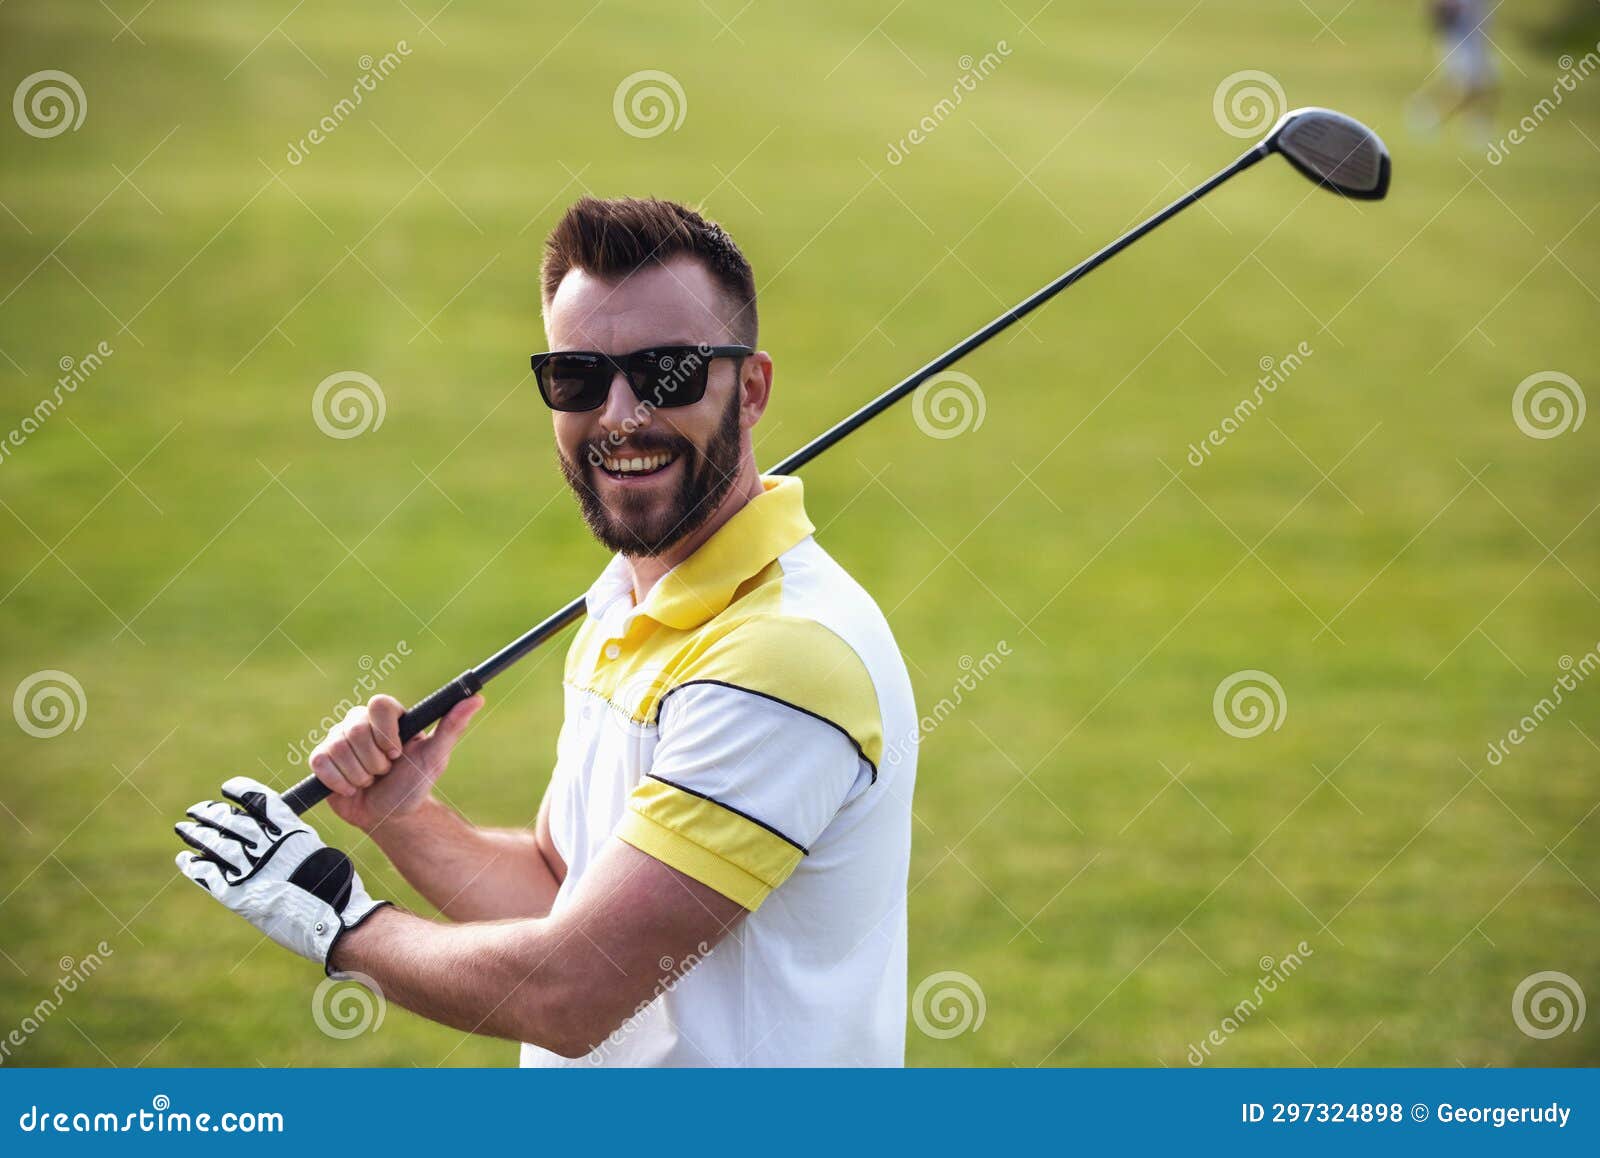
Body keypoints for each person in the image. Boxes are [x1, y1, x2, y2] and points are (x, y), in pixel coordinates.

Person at [173, 197, 919, 1066]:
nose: (622, 414)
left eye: (667, 373)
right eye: (579, 377)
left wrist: (335, 916)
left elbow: (574, 989)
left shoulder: (782, 660)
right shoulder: (623, 603)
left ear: (749, 389)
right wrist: (403, 819)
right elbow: (562, 896)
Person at [1407, 0, 1500, 141]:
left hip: (1477, 43)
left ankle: (1475, 126)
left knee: (1485, 87)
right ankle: (1424, 113)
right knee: (1465, 87)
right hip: (1459, 41)